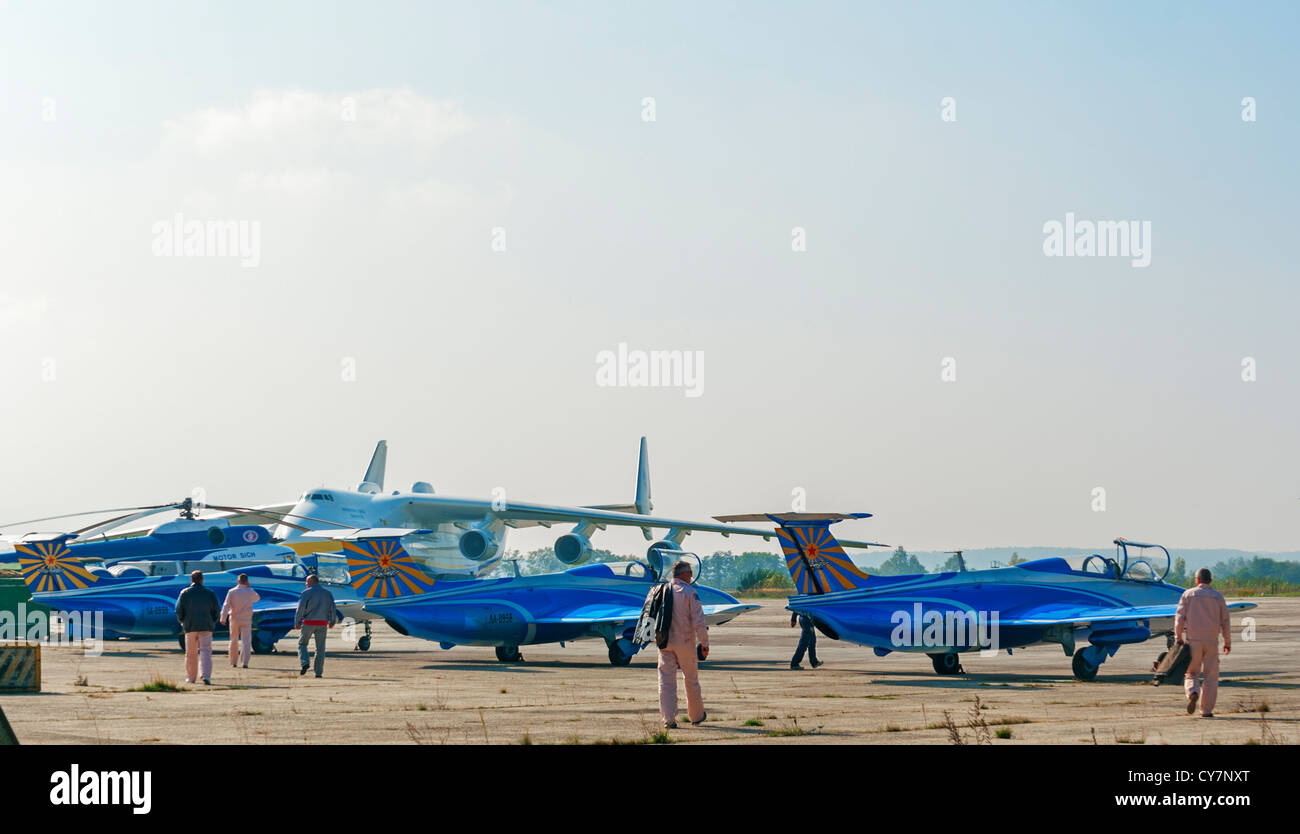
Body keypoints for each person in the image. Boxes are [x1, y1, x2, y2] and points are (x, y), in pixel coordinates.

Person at [1174, 568, 1232, 718]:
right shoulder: (1218, 597)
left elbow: (1179, 618)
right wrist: (1227, 641)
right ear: (1210, 580)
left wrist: (1178, 637)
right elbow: (1225, 621)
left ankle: (1193, 692)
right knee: (1211, 676)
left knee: (1191, 673)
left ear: (1197, 580)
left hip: (1193, 640)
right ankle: (1206, 710)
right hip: (1212, 641)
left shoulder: (1188, 595)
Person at [657, 560, 709, 729]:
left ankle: (668, 719)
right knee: (691, 679)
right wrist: (704, 643)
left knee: (666, 681)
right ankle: (696, 715)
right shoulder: (689, 592)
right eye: (689, 572)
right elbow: (699, 621)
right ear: (684, 574)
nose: (691, 575)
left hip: (664, 642)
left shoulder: (661, 590)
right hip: (685, 642)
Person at [175, 570, 220, 685]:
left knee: (190, 653)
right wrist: (212, 621)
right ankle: (206, 676)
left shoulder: (184, 593)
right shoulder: (210, 593)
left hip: (190, 627)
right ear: (202, 580)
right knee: (206, 651)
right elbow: (216, 610)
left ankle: (191, 678)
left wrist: (183, 621)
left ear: (191, 580)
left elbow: (179, 610)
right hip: (206, 626)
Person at [294, 573, 340, 678]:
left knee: (302, 644)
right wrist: (332, 621)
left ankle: (305, 662)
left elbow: (300, 609)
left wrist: (297, 622)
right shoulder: (327, 593)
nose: (305, 584)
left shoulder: (306, 593)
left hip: (308, 623)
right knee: (320, 648)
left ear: (311, 582)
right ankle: (318, 673)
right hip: (322, 623)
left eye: (306, 581)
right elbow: (333, 608)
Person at [220, 574, 261, 669]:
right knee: (246, 641)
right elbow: (257, 598)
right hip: (246, 619)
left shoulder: (232, 591)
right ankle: (245, 662)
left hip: (234, 618)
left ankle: (233, 661)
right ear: (247, 581)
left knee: (233, 640)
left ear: (238, 581)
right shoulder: (250, 591)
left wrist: (223, 618)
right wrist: (249, 587)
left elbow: (226, 605)